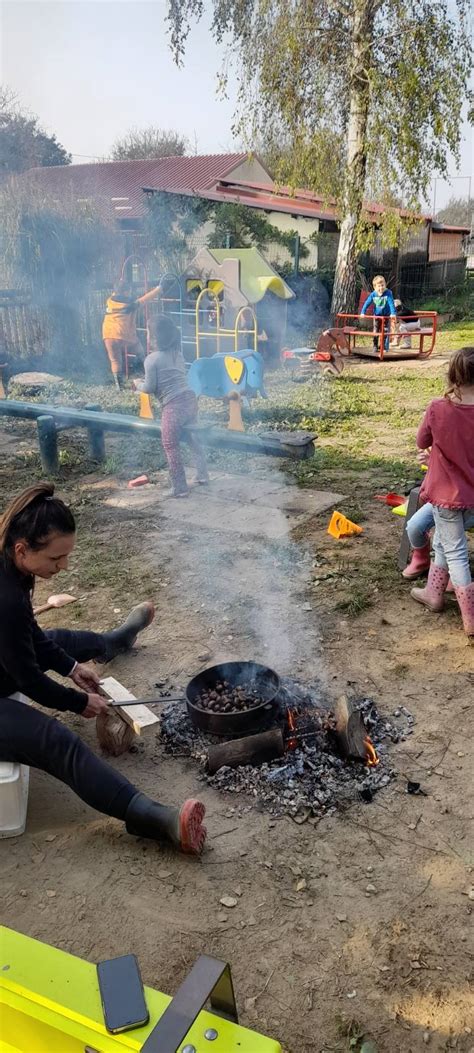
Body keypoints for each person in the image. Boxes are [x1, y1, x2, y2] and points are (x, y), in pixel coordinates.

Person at [0, 483, 207, 853]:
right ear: (23, 549)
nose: (63, 566)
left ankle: (117, 640)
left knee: (60, 639)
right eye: (55, 559)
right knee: (56, 742)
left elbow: (29, 632)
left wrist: (70, 668)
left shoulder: (12, 563)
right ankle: (159, 820)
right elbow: (26, 677)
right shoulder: (5, 597)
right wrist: (78, 703)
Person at [410, 347, 474, 641]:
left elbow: (422, 439)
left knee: (456, 551)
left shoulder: (438, 408)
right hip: (469, 496)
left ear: (452, 375)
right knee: (441, 538)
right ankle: (434, 592)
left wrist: (435, 452)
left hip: (448, 495)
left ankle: (469, 618)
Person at [135, 316, 209, 498]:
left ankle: (180, 487)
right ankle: (202, 474)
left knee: (170, 444)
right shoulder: (178, 354)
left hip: (173, 405)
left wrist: (138, 385)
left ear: (154, 338)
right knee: (193, 438)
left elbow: (150, 388)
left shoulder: (151, 359)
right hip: (190, 400)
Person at [102, 280, 162, 390]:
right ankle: (148, 374)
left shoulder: (109, 301)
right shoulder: (130, 304)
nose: (130, 293)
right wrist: (158, 290)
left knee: (115, 360)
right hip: (124, 334)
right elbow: (145, 299)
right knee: (140, 351)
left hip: (108, 335)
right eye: (128, 291)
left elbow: (115, 294)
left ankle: (119, 386)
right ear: (125, 292)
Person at [360, 275, 397, 352]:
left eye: (382, 285)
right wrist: (363, 312)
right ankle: (375, 346)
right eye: (379, 286)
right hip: (377, 316)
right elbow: (367, 303)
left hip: (386, 316)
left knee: (385, 331)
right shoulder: (373, 294)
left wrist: (393, 313)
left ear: (385, 285)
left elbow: (391, 303)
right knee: (376, 331)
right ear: (375, 287)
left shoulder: (388, 293)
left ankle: (384, 347)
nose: (381, 288)